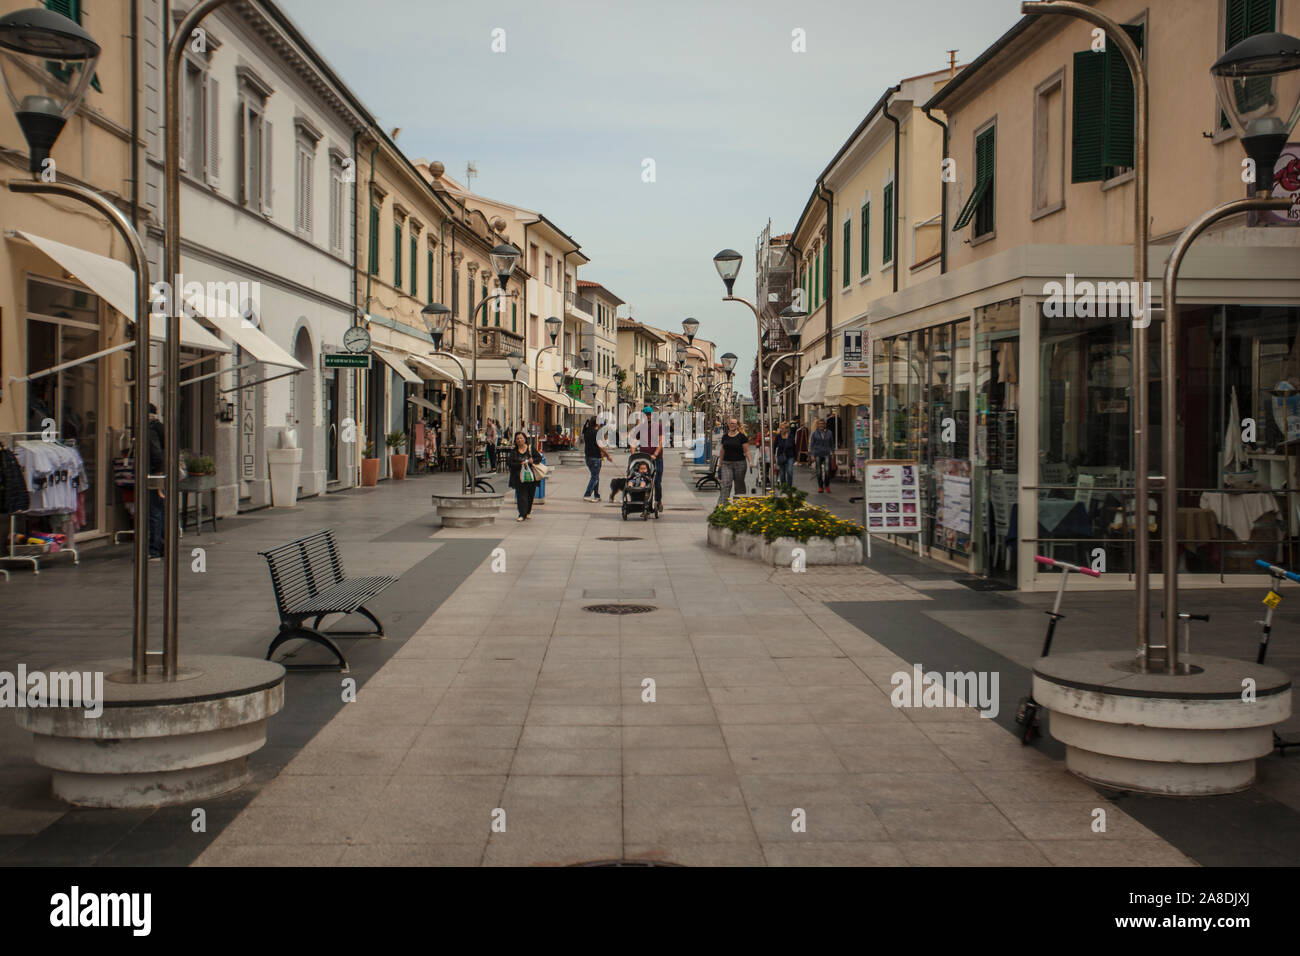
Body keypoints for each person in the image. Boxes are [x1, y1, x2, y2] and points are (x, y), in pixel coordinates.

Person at [716, 417, 754, 505]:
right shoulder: (725, 436)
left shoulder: (742, 437)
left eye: (733, 423)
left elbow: (747, 450)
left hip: (740, 463)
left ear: (737, 425)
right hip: (726, 464)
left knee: (739, 484)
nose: (732, 425)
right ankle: (722, 505)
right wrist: (720, 463)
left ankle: (739, 504)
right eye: (730, 423)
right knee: (726, 484)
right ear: (728, 425)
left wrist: (751, 462)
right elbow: (722, 450)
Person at [634, 404, 665, 507]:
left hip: (657, 458)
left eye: (649, 414)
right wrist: (633, 453)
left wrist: (655, 454)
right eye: (646, 414)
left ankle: (658, 500)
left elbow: (660, 442)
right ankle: (645, 503)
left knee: (657, 481)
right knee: (644, 480)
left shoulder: (658, 426)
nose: (648, 416)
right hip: (644, 459)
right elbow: (634, 440)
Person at [506, 430, 540, 521]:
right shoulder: (514, 451)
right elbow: (509, 463)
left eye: (521, 438)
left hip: (531, 476)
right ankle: (522, 514)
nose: (519, 440)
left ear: (525, 439)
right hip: (519, 477)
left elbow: (538, 458)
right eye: (517, 439)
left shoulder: (530, 449)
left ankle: (528, 511)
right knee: (521, 496)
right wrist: (520, 464)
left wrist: (533, 460)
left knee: (530, 495)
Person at [147, 402, 165, 559]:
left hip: (155, 474)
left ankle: (154, 549)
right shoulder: (162, 427)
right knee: (161, 510)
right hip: (163, 473)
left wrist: (157, 473)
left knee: (155, 512)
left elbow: (156, 454)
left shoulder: (151, 430)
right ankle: (163, 545)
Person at [582, 416, 613, 502]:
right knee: (595, 477)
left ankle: (596, 495)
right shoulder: (596, 433)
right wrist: (608, 455)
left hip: (588, 456)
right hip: (595, 457)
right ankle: (587, 494)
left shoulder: (586, 431)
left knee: (595, 476)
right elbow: (600, 446)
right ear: (597, 423)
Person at [810, 417, 833, 493]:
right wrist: (812, 455)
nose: (821, 425)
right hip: (817, 453)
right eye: (820, 424)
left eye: (822, 424)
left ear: (825, 424)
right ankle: (820, 486)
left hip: (826, 453)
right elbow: (812, 445)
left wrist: (832, 452)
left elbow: (831, 443)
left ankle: (827, 485)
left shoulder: (829, 433)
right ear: (817, 425)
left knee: (827, 470)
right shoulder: (814, 434)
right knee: (819, 471)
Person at [774, 421, 797, 488]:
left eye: (783, 428)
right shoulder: (778, 436)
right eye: (781, 428)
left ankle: (789, 487)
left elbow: (794, 447)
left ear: (787, 429)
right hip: (781, 456)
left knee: (789, 471)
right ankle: (784, 487)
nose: (781, 430)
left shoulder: (791, 436)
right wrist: (773, 456)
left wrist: (795, 457)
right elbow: (774, 446)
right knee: (782, 473)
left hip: (790, 456)